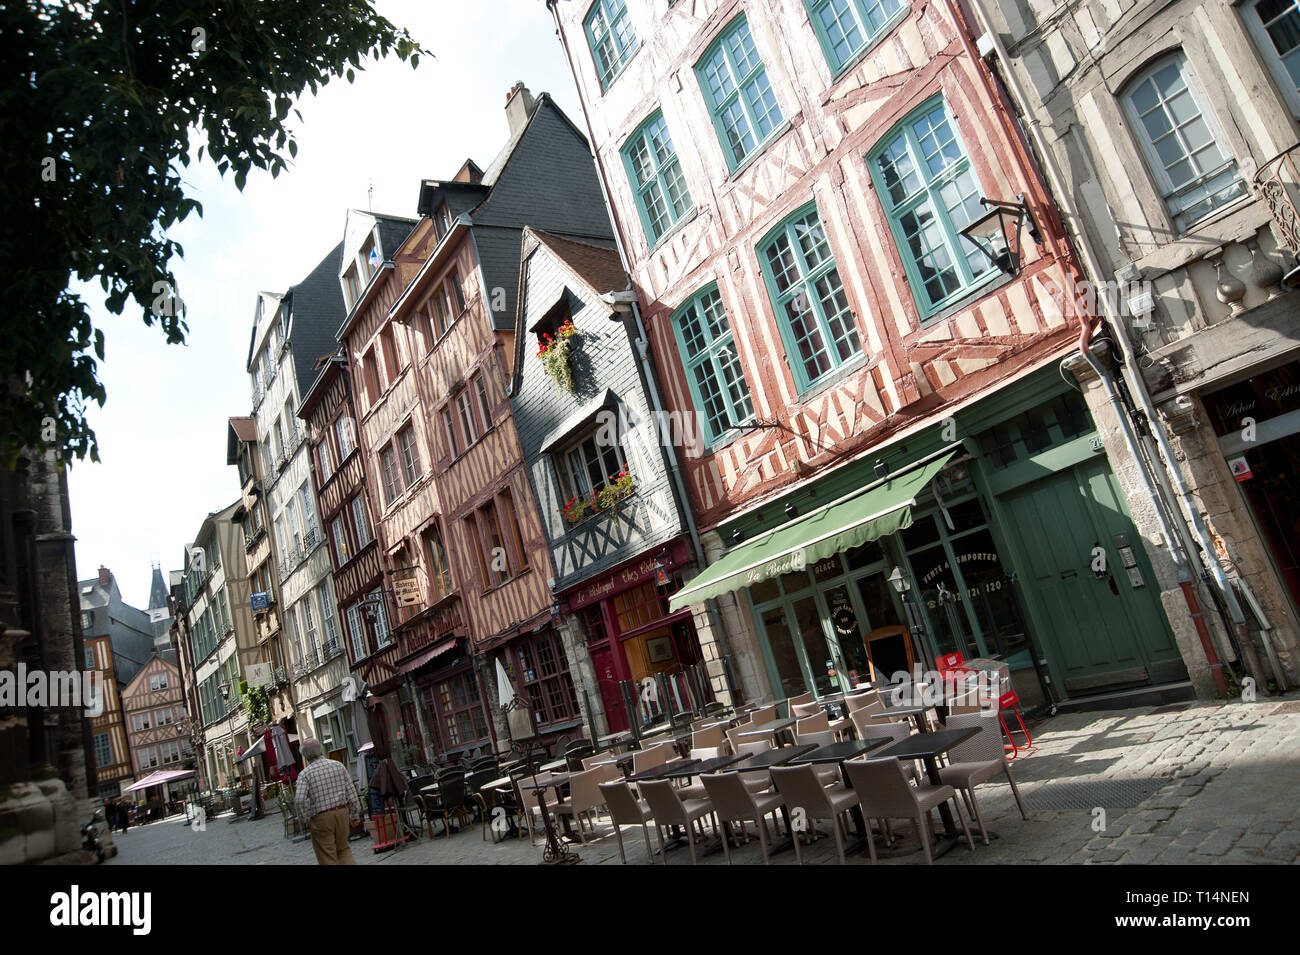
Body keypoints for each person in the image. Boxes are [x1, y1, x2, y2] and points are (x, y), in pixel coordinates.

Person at [293, 738, 362, 865]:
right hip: (341, 812)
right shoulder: (337, 765)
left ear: (305, 756)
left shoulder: (305, 774)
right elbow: (351, 791)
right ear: (320, 750)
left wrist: (306, 819)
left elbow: (299, 800)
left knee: (327, 856)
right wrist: (354, 814)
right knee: (344, 850)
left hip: (321, 818)